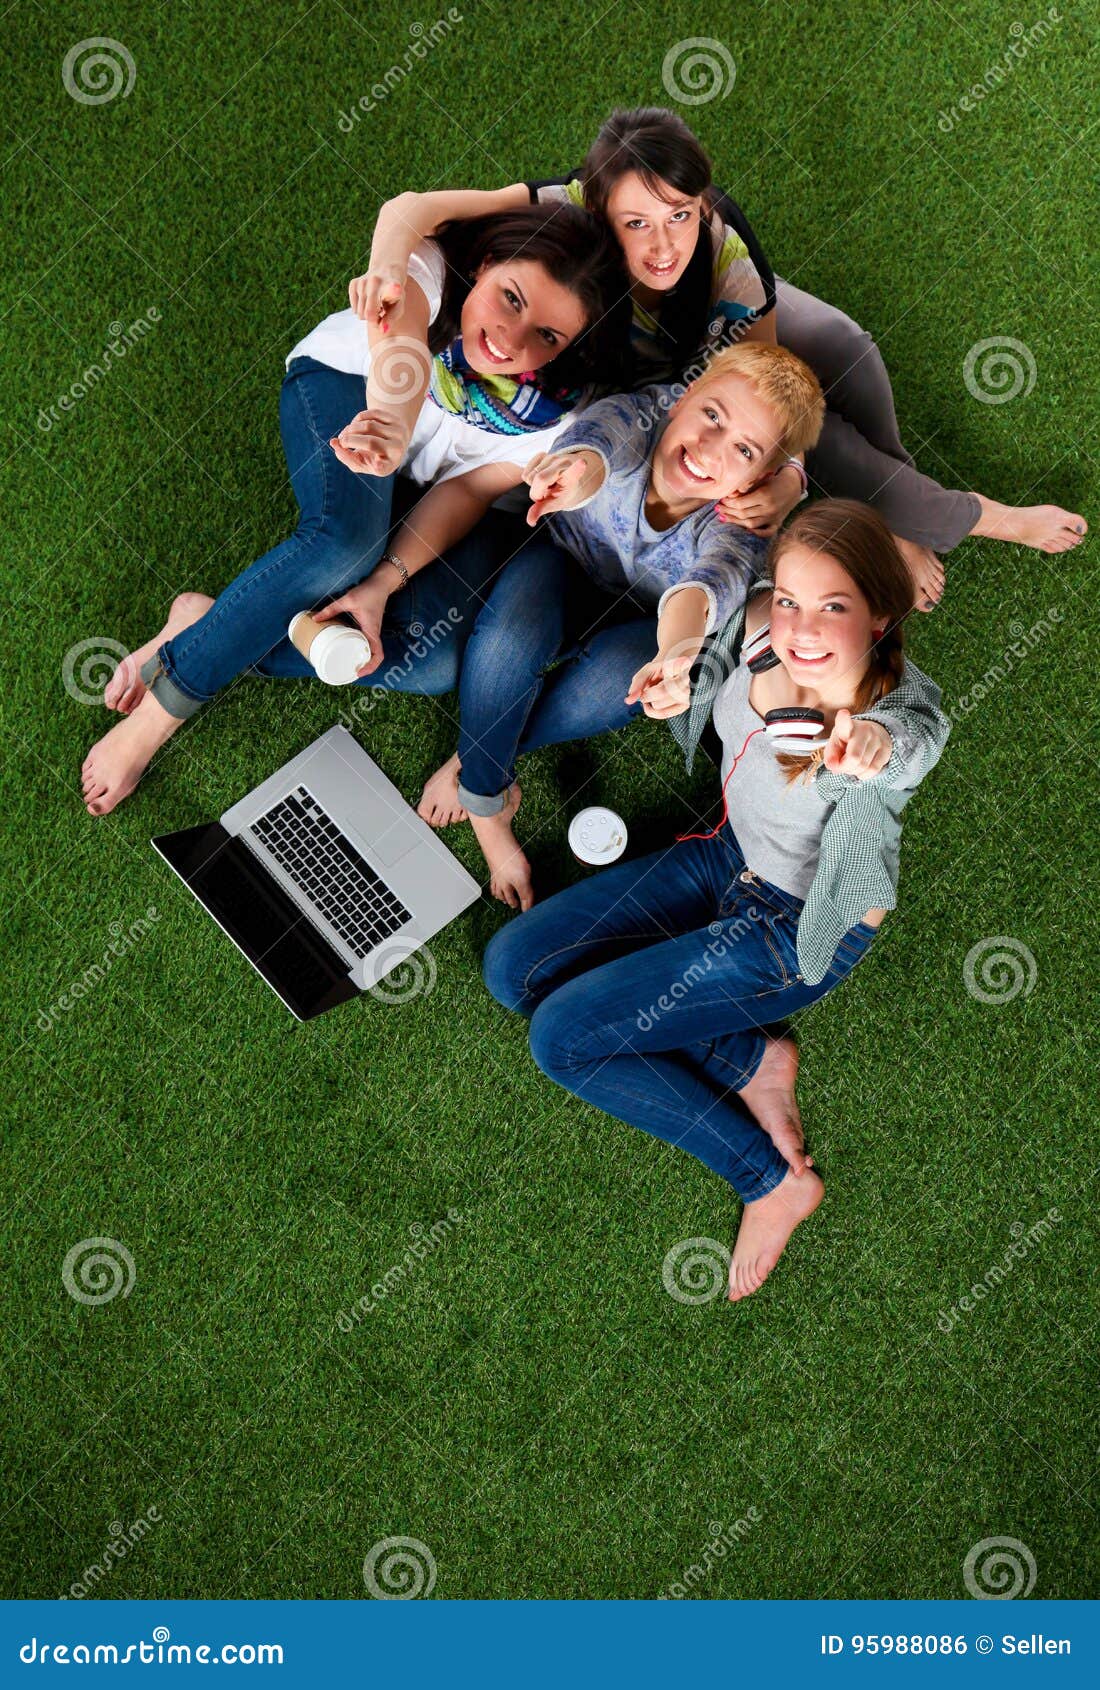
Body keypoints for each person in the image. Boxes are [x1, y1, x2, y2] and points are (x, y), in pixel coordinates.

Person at [483, 500, 949, 1302]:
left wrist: (872, 744)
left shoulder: (898, 709)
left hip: (794, 934)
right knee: (512, 969)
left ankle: (769, 1180)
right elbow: (707, 629)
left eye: (833, 606)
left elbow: (912, 742)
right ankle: (754, 1058)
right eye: (793, 597)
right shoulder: (766, 626)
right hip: (725, 862)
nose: (802, 627)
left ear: (879, 613)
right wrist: (679, 671)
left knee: (561, 1040)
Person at [357, 105, 1086, 607]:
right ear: (596, 209)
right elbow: (411, 208)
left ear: (703, 205)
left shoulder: (719, 253)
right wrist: (388, 270)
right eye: (636, 222)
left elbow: (765, 388)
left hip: (727, 337)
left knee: (844, 351)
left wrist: (790, 472)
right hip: (665, 378)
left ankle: (904, 512)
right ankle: (977, 516)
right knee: (832, 443)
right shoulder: (565, 210)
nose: (663, 244)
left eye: (681, 214)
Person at [81, 205, 631, 816]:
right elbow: (400, 362)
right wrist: (388, 425)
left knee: (437, 661)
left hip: (418, 481)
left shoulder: (557, 414)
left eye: (548, 337)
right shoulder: (427, 275)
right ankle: (157, 718)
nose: (512, 340)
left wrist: (379, 587)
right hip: (347, 391)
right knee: (344, 541)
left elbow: (469, 491)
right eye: (510, 297)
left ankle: (205, 622)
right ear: (485, 265)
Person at [418, 341, 825, 912]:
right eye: (711, 415)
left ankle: (475, 762)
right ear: (686, 395)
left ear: (758, 479)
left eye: (743, 449)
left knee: (618, 681)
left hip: (643, 622)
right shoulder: (642, 413)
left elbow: (703, 590)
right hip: (558, 559)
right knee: (512, 636)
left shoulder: (739, 524)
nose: (710, 448)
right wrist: (574, 472)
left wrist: (677, 653)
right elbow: (598, 451)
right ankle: (487, 803)